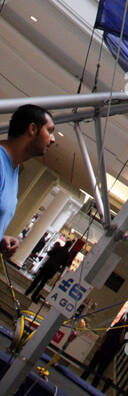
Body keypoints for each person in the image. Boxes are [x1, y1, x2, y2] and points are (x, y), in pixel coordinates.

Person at [0, 104, 56, 259]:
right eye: (49, 131)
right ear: (32, 129)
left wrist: (1, 240)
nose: (53, 139)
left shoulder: (14, 168)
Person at [85, 310, 128, 391]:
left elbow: (121, 341)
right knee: (92, 365)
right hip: (105, 346)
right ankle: (83, 377)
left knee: (100, 370)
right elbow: (108, 333)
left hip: (111, 351)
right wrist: (101, 343)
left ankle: (93, 388)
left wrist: (124, 328)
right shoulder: (119, 323)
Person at [24, 237, 72, 302]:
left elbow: (49, 253)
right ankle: (34, 295)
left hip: (47, 265)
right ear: (69, 246)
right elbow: (64, 264)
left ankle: (28, 291)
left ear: (65, 243)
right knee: (43, 282)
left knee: (37, 279)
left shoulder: (58, 248)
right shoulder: (67, 254)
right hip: (53, 269)